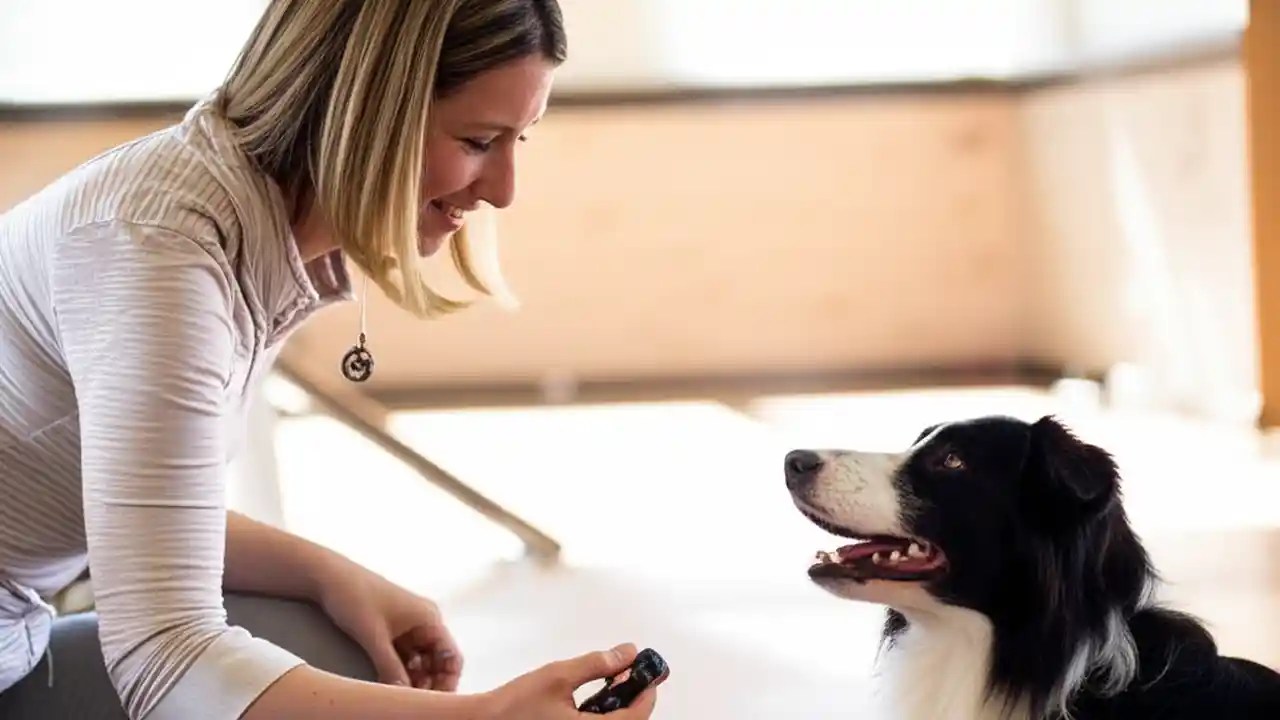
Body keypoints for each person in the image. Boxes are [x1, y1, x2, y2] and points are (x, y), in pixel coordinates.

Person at [0, 1, 664, 719]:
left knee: (336, 642)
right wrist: (487, 717)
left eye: (518, 141)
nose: (503, 189)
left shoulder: (246, 216)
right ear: (363, 110)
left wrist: (327, 574)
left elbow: (139, 508)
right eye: (478, 141)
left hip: (18, 637)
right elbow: (164, 653)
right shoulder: (158, 255)